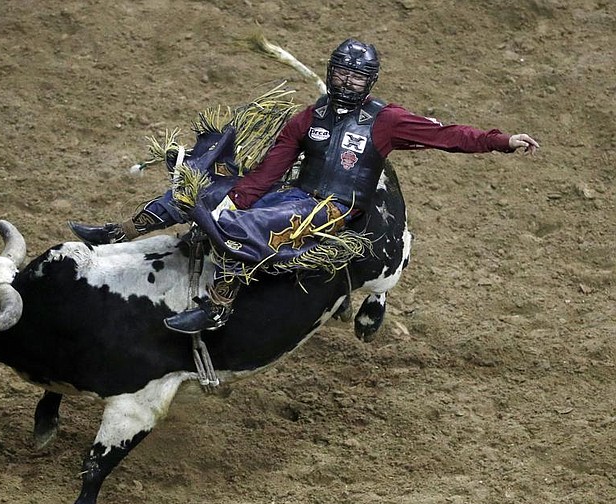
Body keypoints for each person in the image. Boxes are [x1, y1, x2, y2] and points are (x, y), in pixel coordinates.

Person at [69, 38, 540, 334]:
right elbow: (268, 172)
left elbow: (449, 135)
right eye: (341, 72)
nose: (347, 81)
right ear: (331, 72)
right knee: (203, 191)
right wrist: (231, 198)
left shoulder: (387, 120)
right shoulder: (307, 118)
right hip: (294, 195)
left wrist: (501, 141)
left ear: (370, 81)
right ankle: (119, 232)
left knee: (252, 227)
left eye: (357, 76)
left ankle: (219, 307)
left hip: (334, 208)